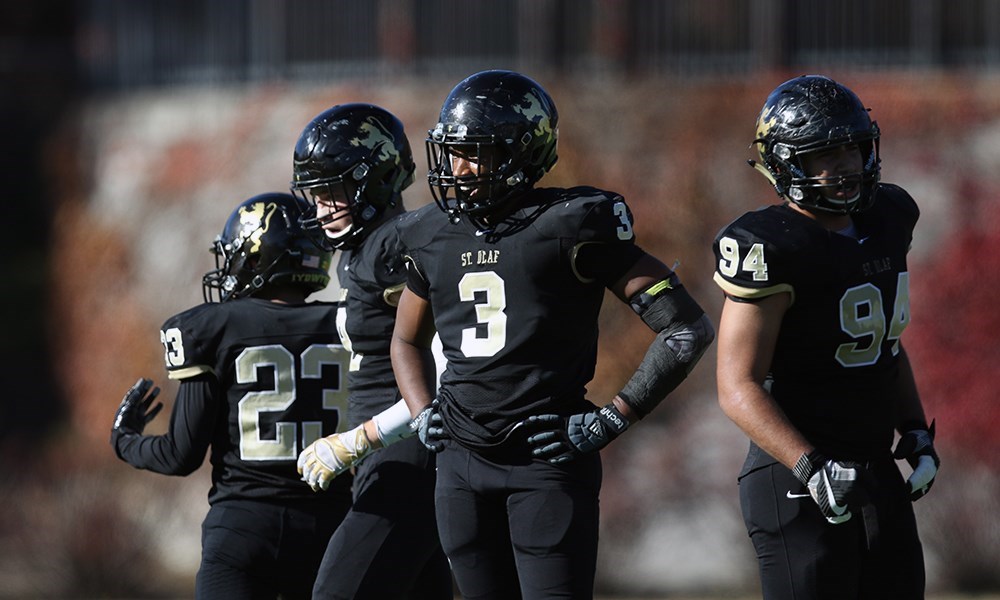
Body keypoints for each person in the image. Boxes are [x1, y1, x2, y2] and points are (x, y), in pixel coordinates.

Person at [388, 69, 715, 599]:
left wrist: (613, 418)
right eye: (453, 151)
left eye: (477, 152)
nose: (458, 168)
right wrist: (421, 409)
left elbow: (685, 329)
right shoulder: (430, 233)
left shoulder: (571, 224)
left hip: (547, 460)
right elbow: (404, 340)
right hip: (459, 464)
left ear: (522, 154)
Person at [712, 75, 940, 599]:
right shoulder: (769, 245)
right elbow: (736, 384)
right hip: (795, 474)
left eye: (851, 148)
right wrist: (811, 466)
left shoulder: (888, 217)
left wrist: (914, 427)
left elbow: (885, 346)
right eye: (824, 154)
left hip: (873, 464)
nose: (843, 165)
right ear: (787, 163)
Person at [111, 193, 352, 599]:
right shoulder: (350, 322)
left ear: (260, 257)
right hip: (330, 532)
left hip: (243, 529)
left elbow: (179, 455)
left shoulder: (215, 327)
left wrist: (126, 441)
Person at [290, 103, 453, 599]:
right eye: (314, 196)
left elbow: (450, 370)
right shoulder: (368, 252)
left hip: (406, 456)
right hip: (397, 458)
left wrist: (362, 438)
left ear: (374, 179)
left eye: (331, 192)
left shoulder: (394, 246)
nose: (321, 210)